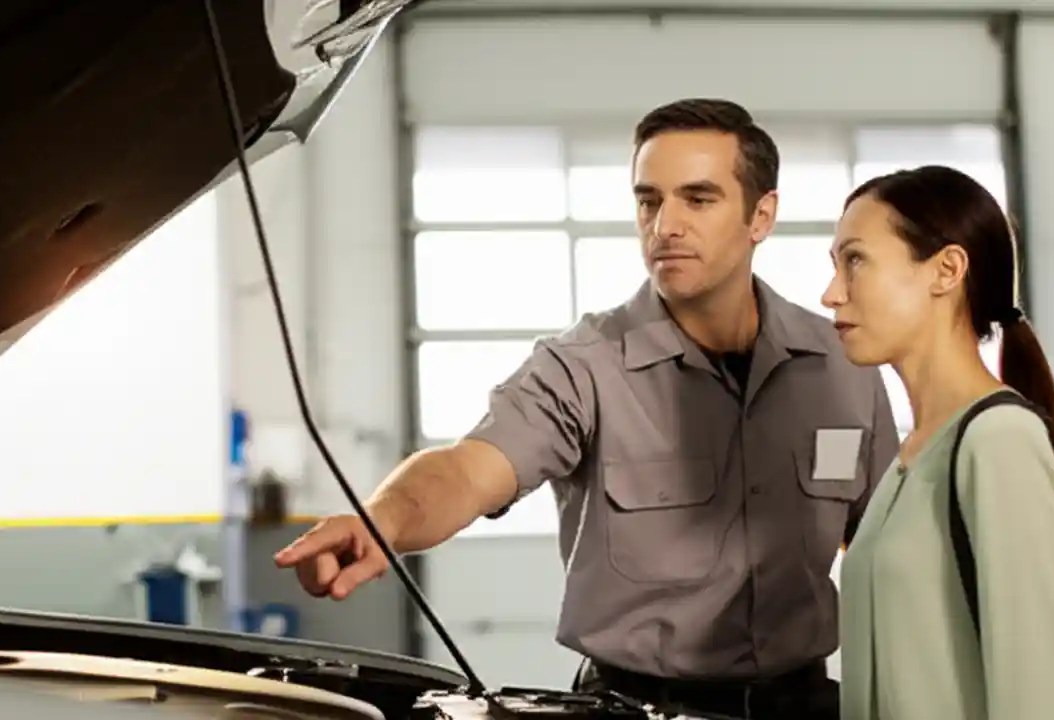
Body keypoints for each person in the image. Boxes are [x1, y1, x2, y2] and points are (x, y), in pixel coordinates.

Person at [274, 98, 898, 719]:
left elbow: (887, 550)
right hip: (631, 707)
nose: (665, 226)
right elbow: (468, 470)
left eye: (698, 199)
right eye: (648, 200)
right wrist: (382, 519)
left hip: (805, 706)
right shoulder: (585, 365)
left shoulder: (841, 364)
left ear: (761, 215)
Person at [826, 165, 1054, 719]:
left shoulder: (1000, 441)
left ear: (947, 269)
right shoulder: (909, 456)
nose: (831, 293)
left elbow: (1041, 693)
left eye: (855, 261)